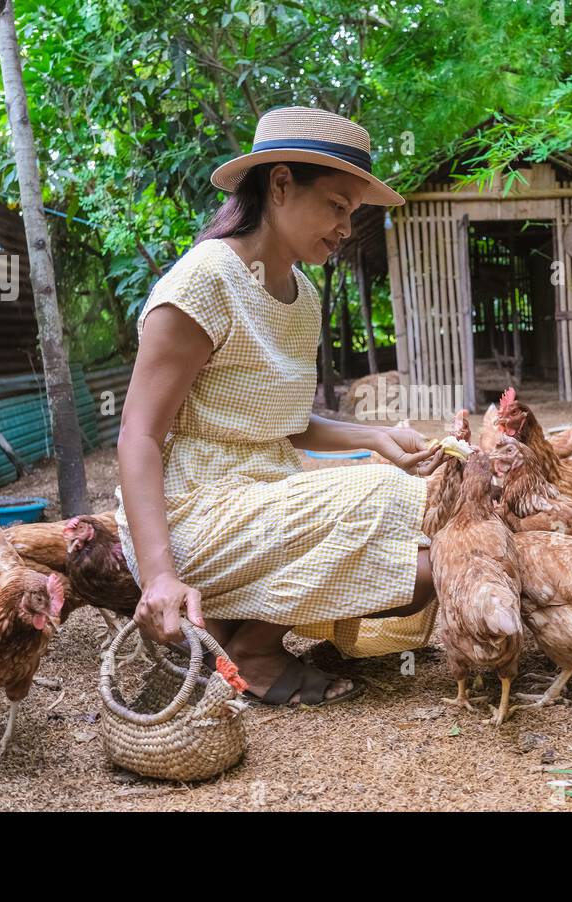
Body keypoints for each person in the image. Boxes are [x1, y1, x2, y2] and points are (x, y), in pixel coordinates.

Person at [115, 106, 442, 707]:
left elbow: (282, 424)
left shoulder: (304, 293)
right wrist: (161, 573)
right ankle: (252, 650)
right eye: (338, 206)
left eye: (353, 212)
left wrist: (372, 438)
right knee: (399, 498)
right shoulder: (204, 281)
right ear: (282, 184)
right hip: (193, 512)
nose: (346, 227)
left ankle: (233, 636)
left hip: (263, 500)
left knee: (423, 571)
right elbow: (137, 435)